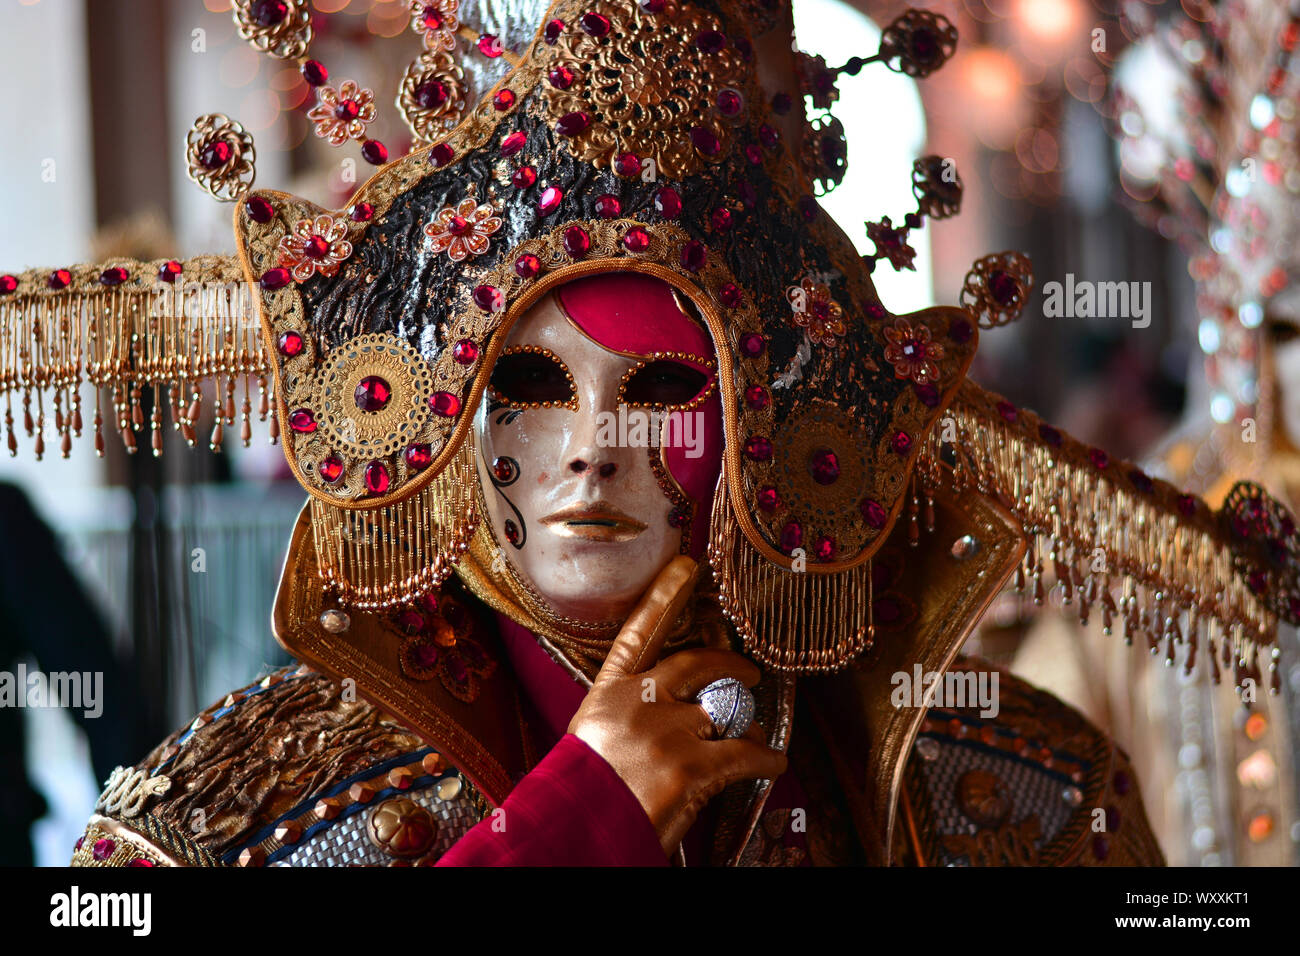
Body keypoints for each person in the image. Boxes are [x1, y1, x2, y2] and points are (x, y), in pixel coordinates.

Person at [0, 0, 1290, 866]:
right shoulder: (256, 811)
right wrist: (567, 829)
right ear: (441, 411)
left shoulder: (1007, 789)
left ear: (769, 424)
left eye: (664, 387)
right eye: (536, 386)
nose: (593, 450)